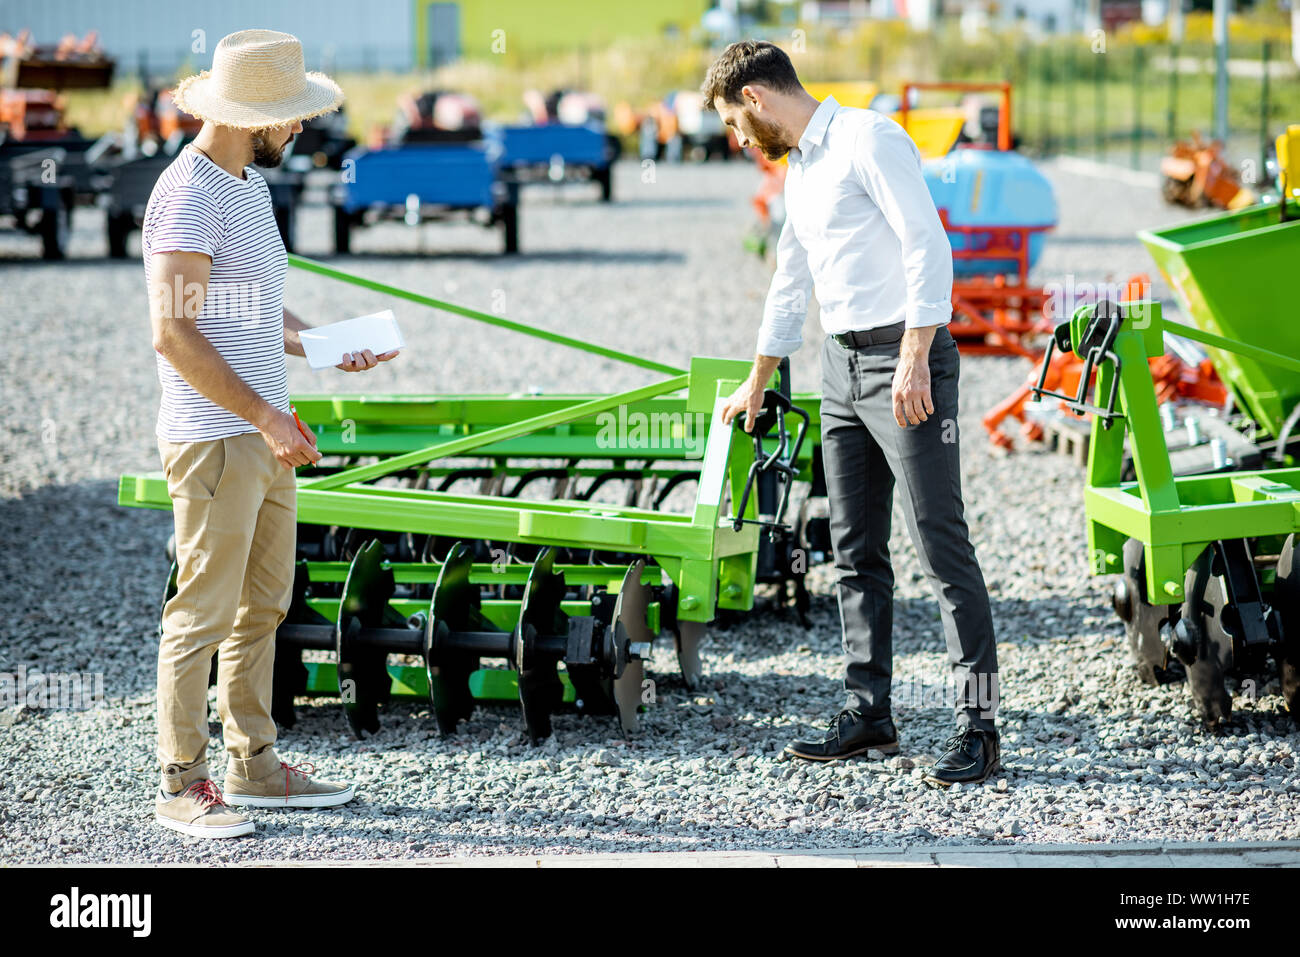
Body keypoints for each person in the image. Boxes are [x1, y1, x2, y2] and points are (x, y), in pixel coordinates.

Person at [702, 41, 1001, 785]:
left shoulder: (871, 138)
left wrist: (912, 353)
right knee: (854, 549)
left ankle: (980, 726)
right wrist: (758, 377)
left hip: (907, 363)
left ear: (759, 98)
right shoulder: (802, 169)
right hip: (839, 368)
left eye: (737, 125)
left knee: (941, 545)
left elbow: (926, 243)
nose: (740, 141)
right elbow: (790, 279)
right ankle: (870, 712)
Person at [146, 29, 398, 838]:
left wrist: (323, 346)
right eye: (289, 116)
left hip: (262, 430)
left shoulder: (247, 189)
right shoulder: (187, 193)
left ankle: (252, 764)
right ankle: (181, 782)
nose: (300, 128)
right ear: (251, 114)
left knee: (264, 605)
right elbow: (174, 333)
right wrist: (263, 416)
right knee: (202, 612)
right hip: (218, 436)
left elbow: (244, 307)